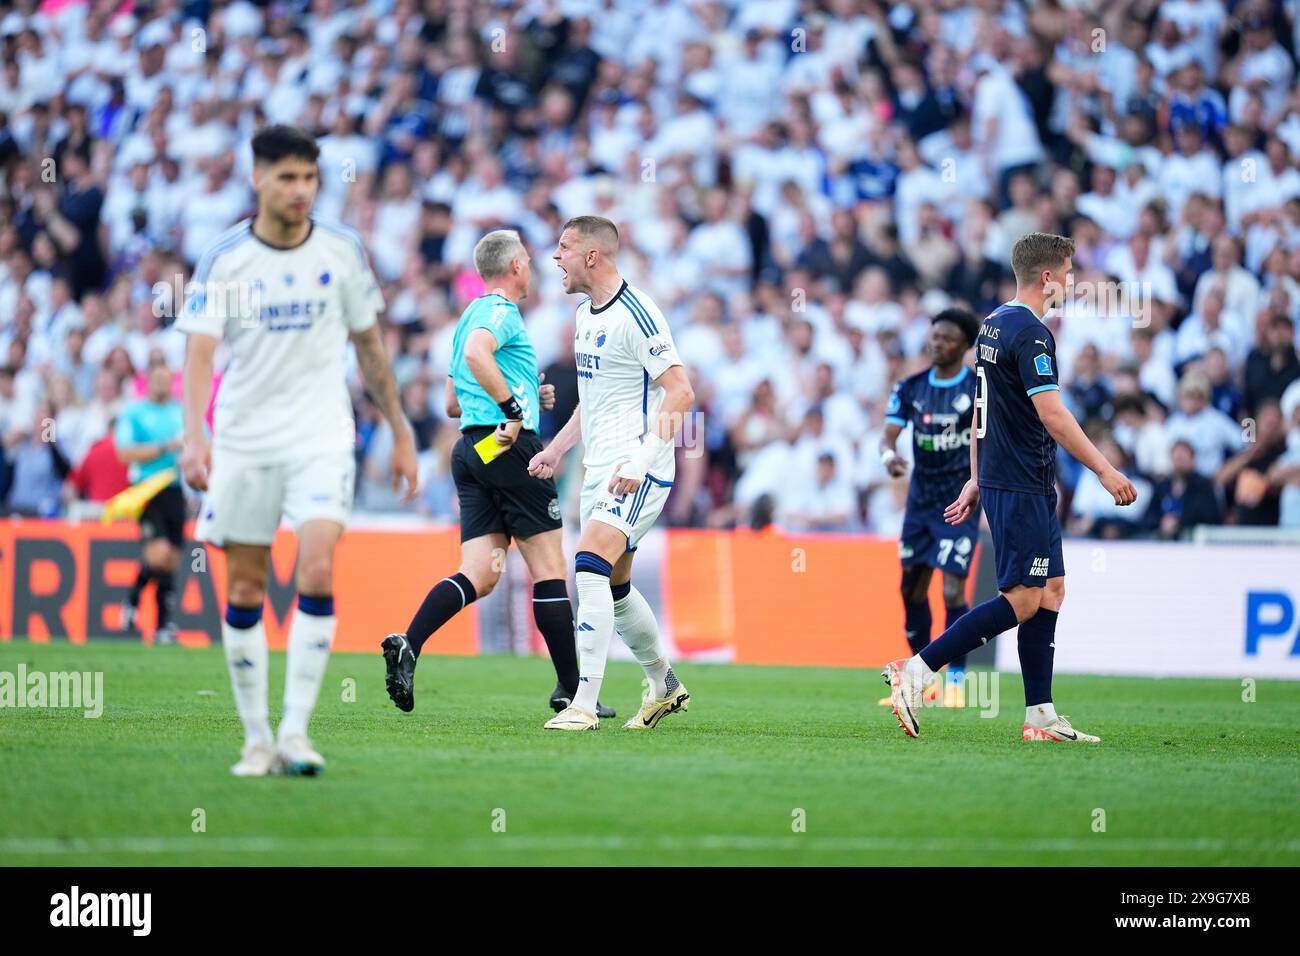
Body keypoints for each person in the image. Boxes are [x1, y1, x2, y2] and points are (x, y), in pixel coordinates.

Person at [178, 125, 418, 777]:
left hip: (321, 435)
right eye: (286, 178)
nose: (300, 190)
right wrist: (194, 435)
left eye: (309, 178)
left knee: (316, 569)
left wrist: (398, 431)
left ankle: (295, 734)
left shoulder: (342, 251)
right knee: (249, 584)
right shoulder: (226, 259)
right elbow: (199, 351)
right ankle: (256, 739)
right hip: (245, 438)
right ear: (257, 179)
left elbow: (369, 347)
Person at [885, 232, 1138, 743]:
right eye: (1067, 273)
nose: (1071, 282)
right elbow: (1053, 416)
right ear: (1047, 277)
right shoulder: (1032, 334)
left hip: (1013, 479)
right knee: (1023, 600)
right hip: (1022, 482)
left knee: (1051, 591)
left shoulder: (992, 327)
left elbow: (982, 410)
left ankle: (1040, 716)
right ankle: (917, 669)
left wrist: (976, 476)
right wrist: (1104, 470)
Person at [379, 229, 613, 719]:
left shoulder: (466, 318)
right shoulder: (500, 313)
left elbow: (450, 400)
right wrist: (513, 411)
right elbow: (477, 358)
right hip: (507, 444)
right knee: (549, 569)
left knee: (480, 574)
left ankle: (410, 643)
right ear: (513, 268)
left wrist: (528, 396)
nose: (533, 265)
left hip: (473, 448)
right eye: (527, 259)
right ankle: (572, 692)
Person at [529, 215, 696, 730]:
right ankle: (664, 683)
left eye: (563, 248)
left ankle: (584, 704)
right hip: (598, 469)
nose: (555, 258)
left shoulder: (639, 314)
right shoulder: (584, 314)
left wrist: (640, 461)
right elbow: (592, 401)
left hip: (637, 467)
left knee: (586, 564)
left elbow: (682, 393)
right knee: (614, 585)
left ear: (592, 256)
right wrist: (557, 451)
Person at [877, 308, 981, 709]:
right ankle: (921, 680)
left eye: (947, 338)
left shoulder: (976, 389)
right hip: (920, 503)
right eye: (934, 336)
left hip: (959, 500)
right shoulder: (910, 387)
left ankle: (955, 680)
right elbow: (888, 436)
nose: (937, 343)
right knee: (912, 588)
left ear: (964, 346)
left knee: (953, 586)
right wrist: (889, 456)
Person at [114, 360, 185, 644]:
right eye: (157, 379)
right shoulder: (135, 412)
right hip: (145, 489)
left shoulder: (181, 412)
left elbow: (204, 441)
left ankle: (161, 627)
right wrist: (163, 448)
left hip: (175, 489)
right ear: (148, 381)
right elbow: (125, 453)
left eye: (166, 379)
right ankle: (132, 603)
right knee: (159, 553)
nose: (162, 385)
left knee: (172, 559)